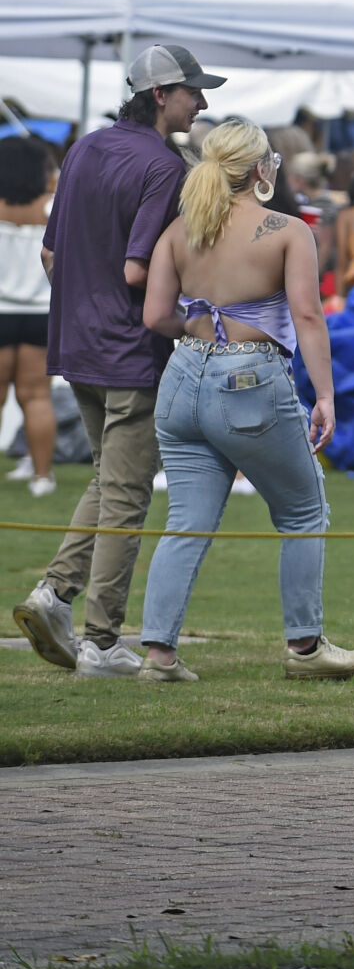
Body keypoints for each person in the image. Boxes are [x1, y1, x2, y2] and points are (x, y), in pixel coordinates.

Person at [10, 46, 220, 678]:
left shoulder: (84, 149)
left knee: (108, 479)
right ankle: (101, 640)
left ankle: (53, 594)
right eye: (193, 92)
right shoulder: (165, 166)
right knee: (126, 493)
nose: (203, 102)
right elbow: (137, 268)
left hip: (77, 341)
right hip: (129, 348)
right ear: (160, 94)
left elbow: (51, 255)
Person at [134, 120, 354, 683]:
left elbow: (154, 316)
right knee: (304, 512)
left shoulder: (179, 230)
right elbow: (308, 317)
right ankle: (305, 648)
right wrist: (326, 396)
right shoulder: (287, 229)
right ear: (261, 169)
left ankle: (158, 655)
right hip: (250, 381)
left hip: (183, 373)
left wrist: (202, 322)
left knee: (186, 521)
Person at [0, 136, 57, 499]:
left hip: (1, 311)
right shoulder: (53, 210)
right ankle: (41, 477)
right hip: (40, 312)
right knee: (36, 397)